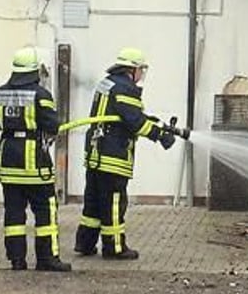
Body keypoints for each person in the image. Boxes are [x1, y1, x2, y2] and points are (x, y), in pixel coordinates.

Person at [74, 48, 180, 260]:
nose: (142, 74)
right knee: (114, 202)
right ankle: (114, 247)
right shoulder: (126, 88)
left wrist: (154, 122)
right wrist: (160, 136)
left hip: (96, 153)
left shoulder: (108, 83)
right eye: (141, 69)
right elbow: (134, 122)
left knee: (93, 201)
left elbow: (124, 115)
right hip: (113, 154)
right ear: (133, 69)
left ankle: (85, 243)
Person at [0, 47, 70, 272]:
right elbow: (52, 126)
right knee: (45, 211)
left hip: (8, 162)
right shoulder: (41, 95)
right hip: (34, 165)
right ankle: (47, 259)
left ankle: (17, 261)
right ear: (35, 70)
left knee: (14, 214)